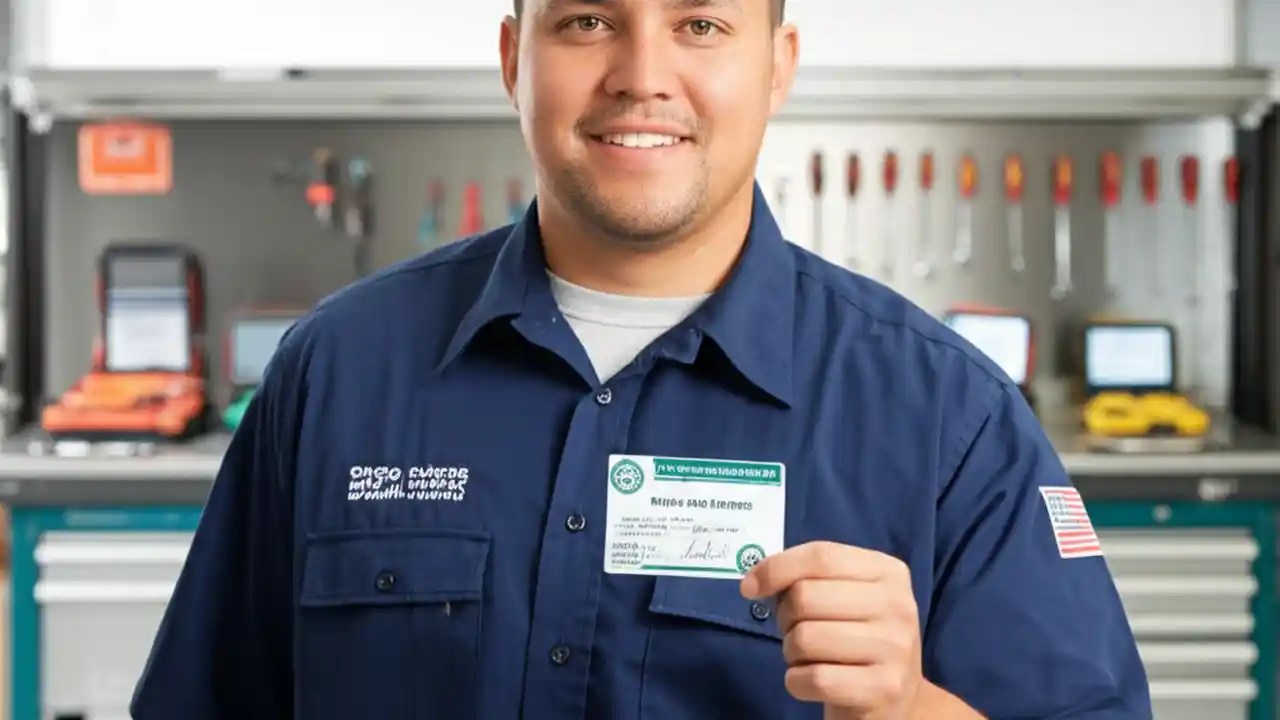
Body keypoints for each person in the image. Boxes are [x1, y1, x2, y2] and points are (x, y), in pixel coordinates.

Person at [131, 0, 1151, 718]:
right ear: (510, 56)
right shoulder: (336, 371)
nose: (641, 76)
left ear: (777, 64)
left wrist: (909, 710)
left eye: (699, 24)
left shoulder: (946, 416)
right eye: (585, 21)